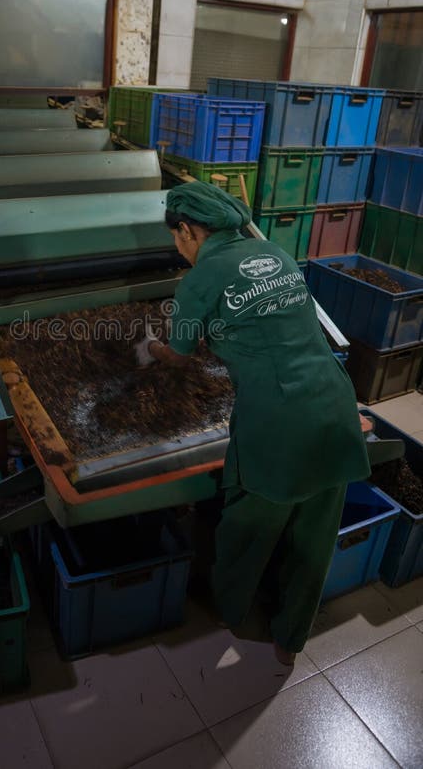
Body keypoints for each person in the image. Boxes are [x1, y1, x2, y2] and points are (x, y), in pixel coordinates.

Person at [135, 181, 370, 666]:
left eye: (175, 239)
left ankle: (230, 611)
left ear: (186, 231)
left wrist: (148, 348)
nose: (177, 248)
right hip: (333, 401)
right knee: (314, 538)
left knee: (245, 530)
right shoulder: (275, 254)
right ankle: (290, 642)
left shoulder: (199, 278)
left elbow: (179, 357)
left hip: (277, 419)